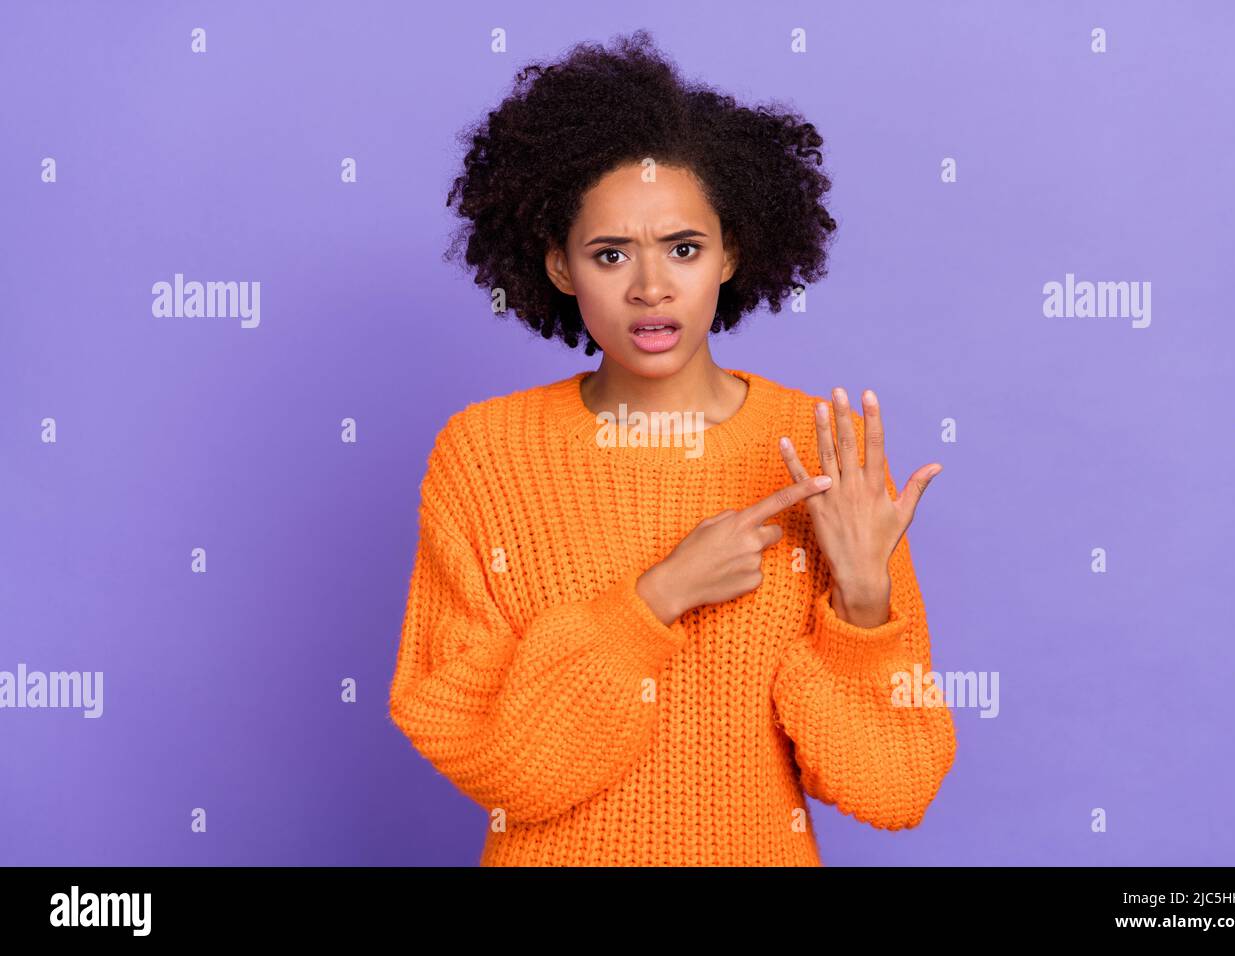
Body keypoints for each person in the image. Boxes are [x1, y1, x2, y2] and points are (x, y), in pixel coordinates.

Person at [388, 31, 956, 866]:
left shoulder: (815, 454)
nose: (651, 287)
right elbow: (502, 760)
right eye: (610, 253)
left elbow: (892, 791)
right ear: (557, 267)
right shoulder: (485, 454)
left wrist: (865, 602)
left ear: (731, 252)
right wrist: (656, 598)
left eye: (683, 249)